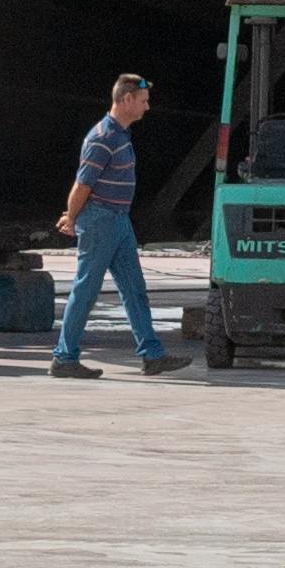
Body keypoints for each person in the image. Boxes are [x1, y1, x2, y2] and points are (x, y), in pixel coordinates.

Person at [53, 72, 187, 378]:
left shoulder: (121, 134)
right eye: (143, 101)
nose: (147, 107)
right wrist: (72, 218)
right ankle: (64, 357)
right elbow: (82, 185)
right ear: (126, 100)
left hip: (118, 221)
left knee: (134, 288)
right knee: (86, 290)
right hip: (100, 220)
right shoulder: (102, 138)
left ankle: (152, 355)